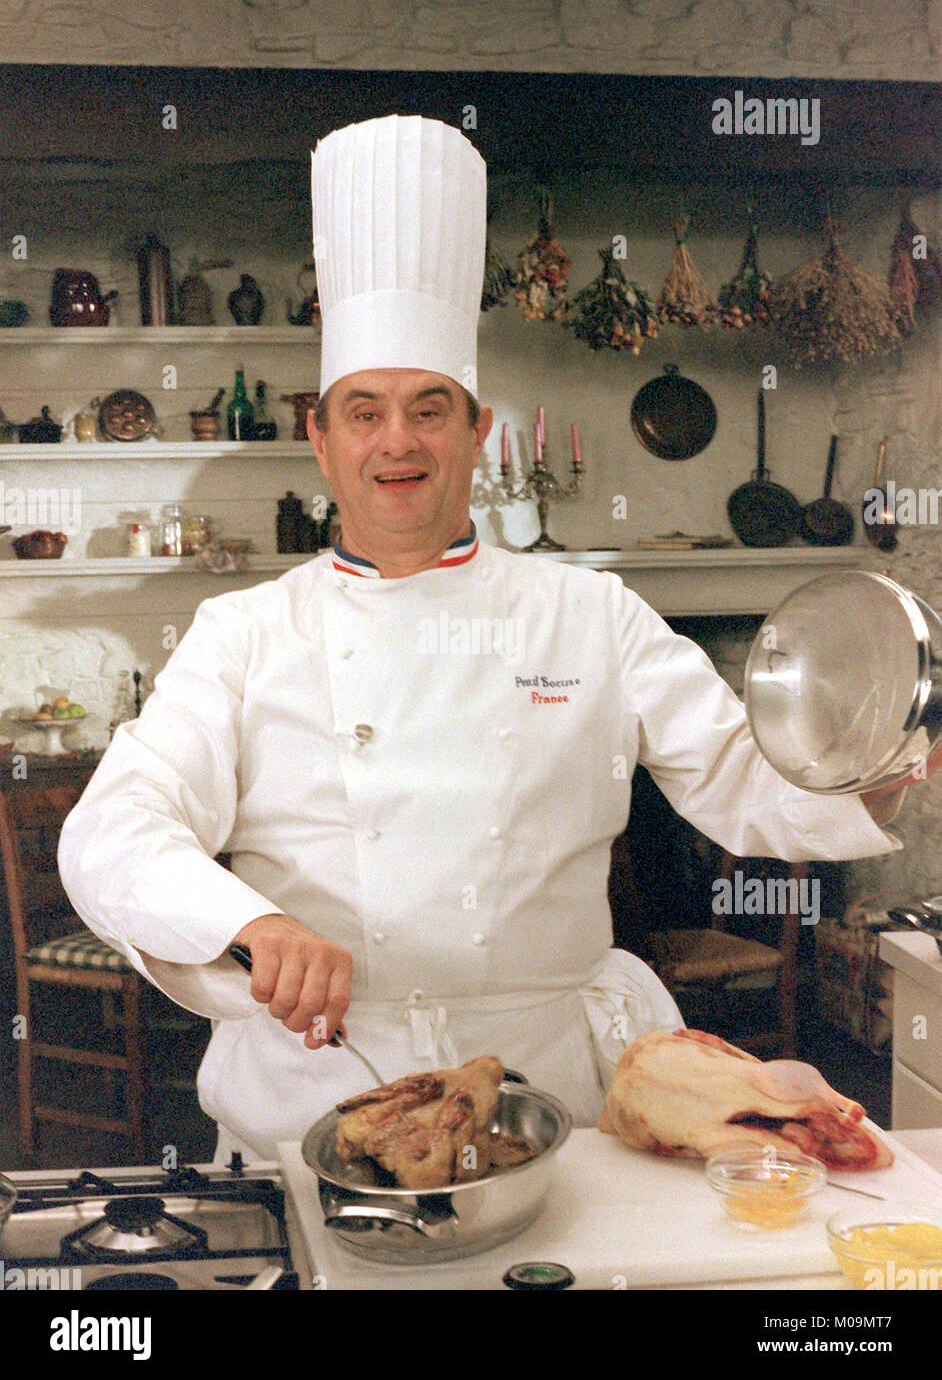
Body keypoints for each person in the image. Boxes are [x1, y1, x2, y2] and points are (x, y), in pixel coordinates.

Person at [58, 116, 919, 1161]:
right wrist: (251, 927)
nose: (398, 440)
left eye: (431, 408)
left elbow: (749, 781)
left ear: (477, 433)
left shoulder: (589, 614)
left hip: (550, 1097)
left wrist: (888, 747)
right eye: (363, 411)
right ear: (322, 441)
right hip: (319, 1100)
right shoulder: (242, 630)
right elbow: (113, 831)